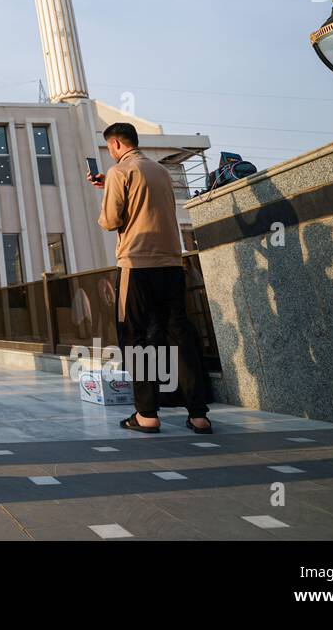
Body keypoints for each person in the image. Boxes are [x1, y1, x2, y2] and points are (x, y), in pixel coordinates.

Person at [90, 121, 210, 434]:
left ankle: (146, 413)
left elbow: (111, 219)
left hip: (137, 263)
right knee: (179, 335)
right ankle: (199, 414)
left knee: (134, 338)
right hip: (171, 262)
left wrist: (108, 195)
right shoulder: (160, 171)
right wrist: (112, 185)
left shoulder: (119, 172)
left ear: (115, 145)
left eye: (110, 148)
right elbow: (148, 202)